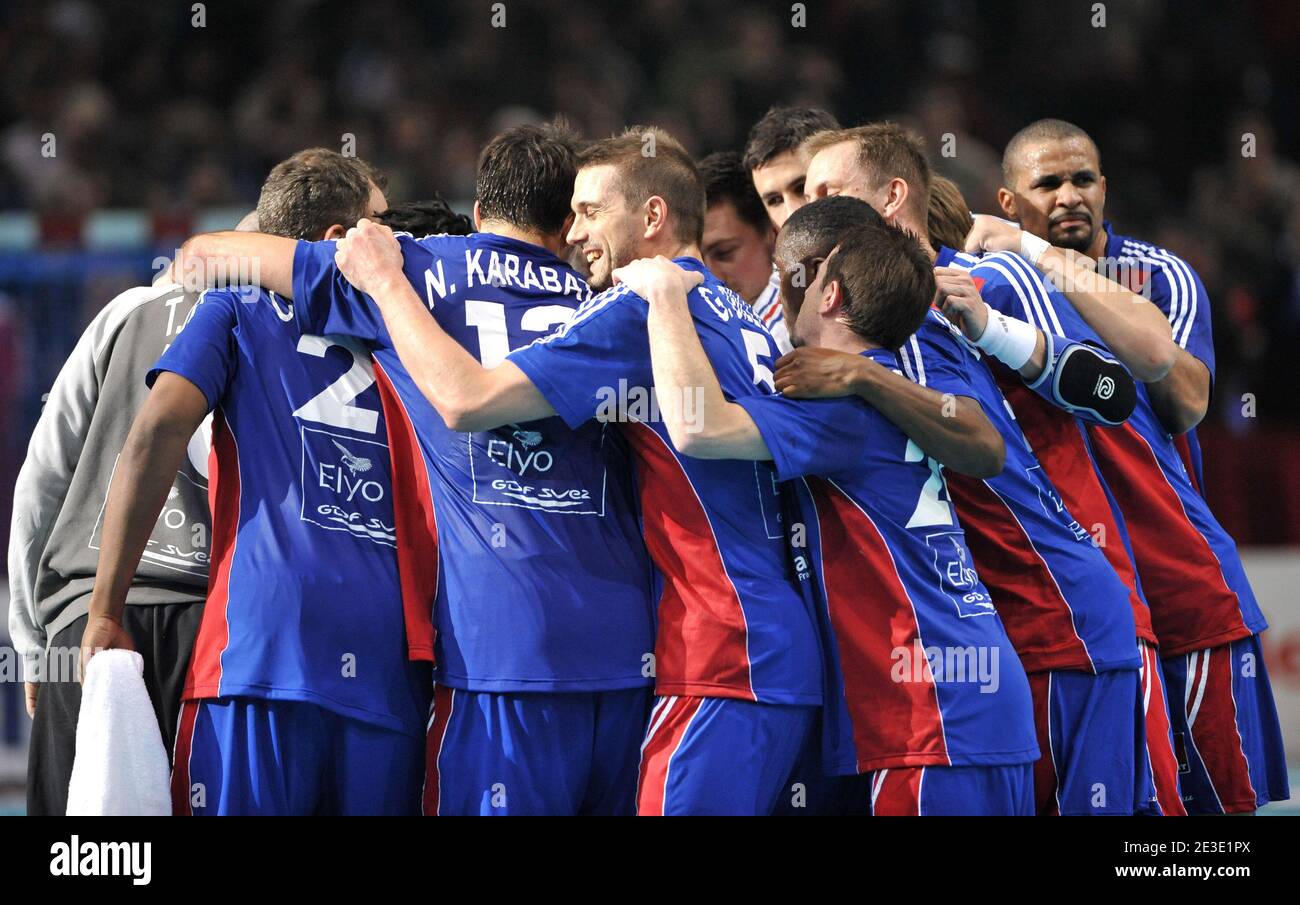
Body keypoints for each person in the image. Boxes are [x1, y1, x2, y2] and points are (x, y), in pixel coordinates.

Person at [329, 126, 824, 816]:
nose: (575, 233)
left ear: (651, 217)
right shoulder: (738, 312)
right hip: (775, 645)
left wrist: (385, 280)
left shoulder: (642, 306)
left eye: (591, 212)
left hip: (722, 650)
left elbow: (468, 398)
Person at [167, 123, 658, 816]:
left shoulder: (414, 268)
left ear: (481, 212)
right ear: (564, 221)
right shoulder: (610, 308)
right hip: (629, 651)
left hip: (502, 652)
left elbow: (208, 255)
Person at [789, 124, 1170, 816]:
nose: (800, 210)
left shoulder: (985, 280)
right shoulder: (841, 310)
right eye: (789, 196)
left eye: (822, 192)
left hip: (1061, 611)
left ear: (893, 195)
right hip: (986, 639)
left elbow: (1125, 384)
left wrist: (992, 319)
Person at [625, 218, 1040, 815]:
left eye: (805, 277)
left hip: (932, 709)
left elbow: (699, 427)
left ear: (831, 294)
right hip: (971, 689)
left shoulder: (838, 407)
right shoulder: (897, 386)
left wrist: (664, 298)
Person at [82, 148, 433, 816]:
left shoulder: (234, 308)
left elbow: (155, 433)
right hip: (388, 671)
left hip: (258, 655)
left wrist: (105, 609)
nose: (398, 244)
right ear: (337, 241)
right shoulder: (412, 326)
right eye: (382, 226)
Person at [987, 118, 1289, 814]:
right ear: (1007, 203)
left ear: (1104, 189)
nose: (1068, 195)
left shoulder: (1158, 276)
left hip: (1181, 581)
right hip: (1085, 603)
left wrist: (1042, 257)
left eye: (1082, 179)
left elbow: (1184, 401)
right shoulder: (990, 288)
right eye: (1047, 183)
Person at [10, 236, 214, 817]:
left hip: (89, 617)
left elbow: (42, 478)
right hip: (215, 625)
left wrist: (32, 642)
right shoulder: (273, 322)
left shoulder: (125, 312)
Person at [698, 151, 789, 352]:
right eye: (697, 259)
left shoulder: (785, 337)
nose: (710, 276)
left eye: (724, 252)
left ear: (769, 232)